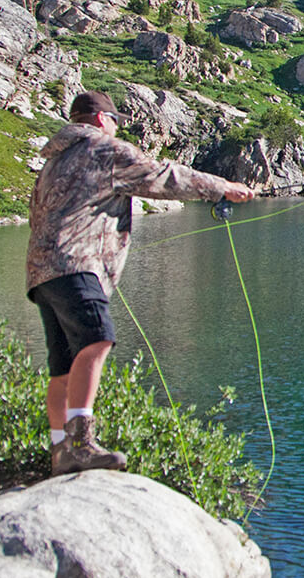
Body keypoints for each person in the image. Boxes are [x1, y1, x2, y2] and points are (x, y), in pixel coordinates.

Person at [26, 90, 255, 475]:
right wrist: (223, 188)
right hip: (79, 265)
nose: (117, 129)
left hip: (42, 272)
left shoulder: (54, 160)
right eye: (116, 121)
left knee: (62, 365)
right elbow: (163, 176)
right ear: (102, 120)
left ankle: (58, 450)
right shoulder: (103, 149)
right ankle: (80, 444)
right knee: (97, 339)